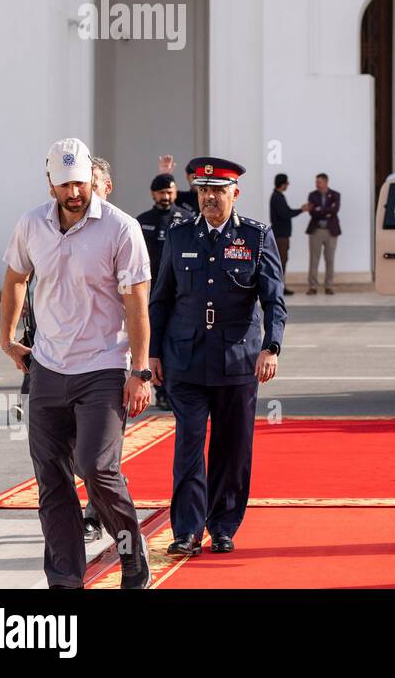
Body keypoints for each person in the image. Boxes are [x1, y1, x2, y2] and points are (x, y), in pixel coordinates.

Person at [0, 137, 152, 589]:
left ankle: (130, 551)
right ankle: (65, 577)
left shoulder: (121, 228)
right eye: (65, 184)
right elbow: (15, 278)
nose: (75, 193)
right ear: (51, 183)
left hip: (103, 366)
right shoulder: (31, 225)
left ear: (91, 180)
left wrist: (139, 370)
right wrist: (8, 341)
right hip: (47, 366)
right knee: (51, 479)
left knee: (96, 467)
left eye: (81, 183)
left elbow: (137, 302)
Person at [148, 157, 286, 557]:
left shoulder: (257, 237)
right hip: (184, 359)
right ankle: (187, 530)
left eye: (218, 191)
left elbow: (274, 300)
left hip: (237, 360)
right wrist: (153, 353)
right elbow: (161, 299)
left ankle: (223, 525)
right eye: (203, 190)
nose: (209, 197)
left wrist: (271, 347)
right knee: (188, 445)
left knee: (232, 447)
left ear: (235, 194)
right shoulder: (178, 236)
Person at [136, 173, 190, 412]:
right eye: (161, 193)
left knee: (176, 339)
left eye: (169, 192)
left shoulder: (187, 219)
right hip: (149, 290)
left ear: (176, 192)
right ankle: (160, 391)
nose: (166, 197)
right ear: (152, 194)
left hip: (178, 291)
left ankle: (176, 388)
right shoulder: (142, 221)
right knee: (152, 340)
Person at [269, 173, 311, 296]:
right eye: (287, 182)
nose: (288, 185)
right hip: (281, 235)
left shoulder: (277, 196)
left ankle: (280, 286)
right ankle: (279, 287)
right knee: (281, 261)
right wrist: (301, 210)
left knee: (282, 260)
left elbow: (285, 212)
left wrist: (300, 210)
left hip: (280, 233)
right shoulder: (278, 197)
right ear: (283, 184)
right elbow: (285, 214)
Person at [305, 173, 341, 294]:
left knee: (330, 259)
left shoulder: (335, 195)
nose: (317, 184)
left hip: (331, 232)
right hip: (316, 231)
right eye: (316, 182)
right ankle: (312, 286)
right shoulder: (312, 195)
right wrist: (325, 211)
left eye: (319, 182)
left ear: (326, 182)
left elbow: (335, 210)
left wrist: (320, 209)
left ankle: (329, 286)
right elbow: (312, 212)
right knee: (314, 259)